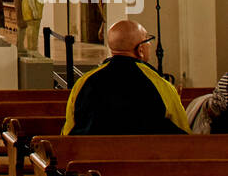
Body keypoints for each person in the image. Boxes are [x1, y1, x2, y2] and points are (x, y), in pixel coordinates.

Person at [62, 19, 191, 135]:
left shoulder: (84, 82)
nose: (150, 45)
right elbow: (183, 133)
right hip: (148, 159)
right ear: (140, 50)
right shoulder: (161, 84)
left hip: (93, 159)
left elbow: (68, 132)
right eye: (148, 40)